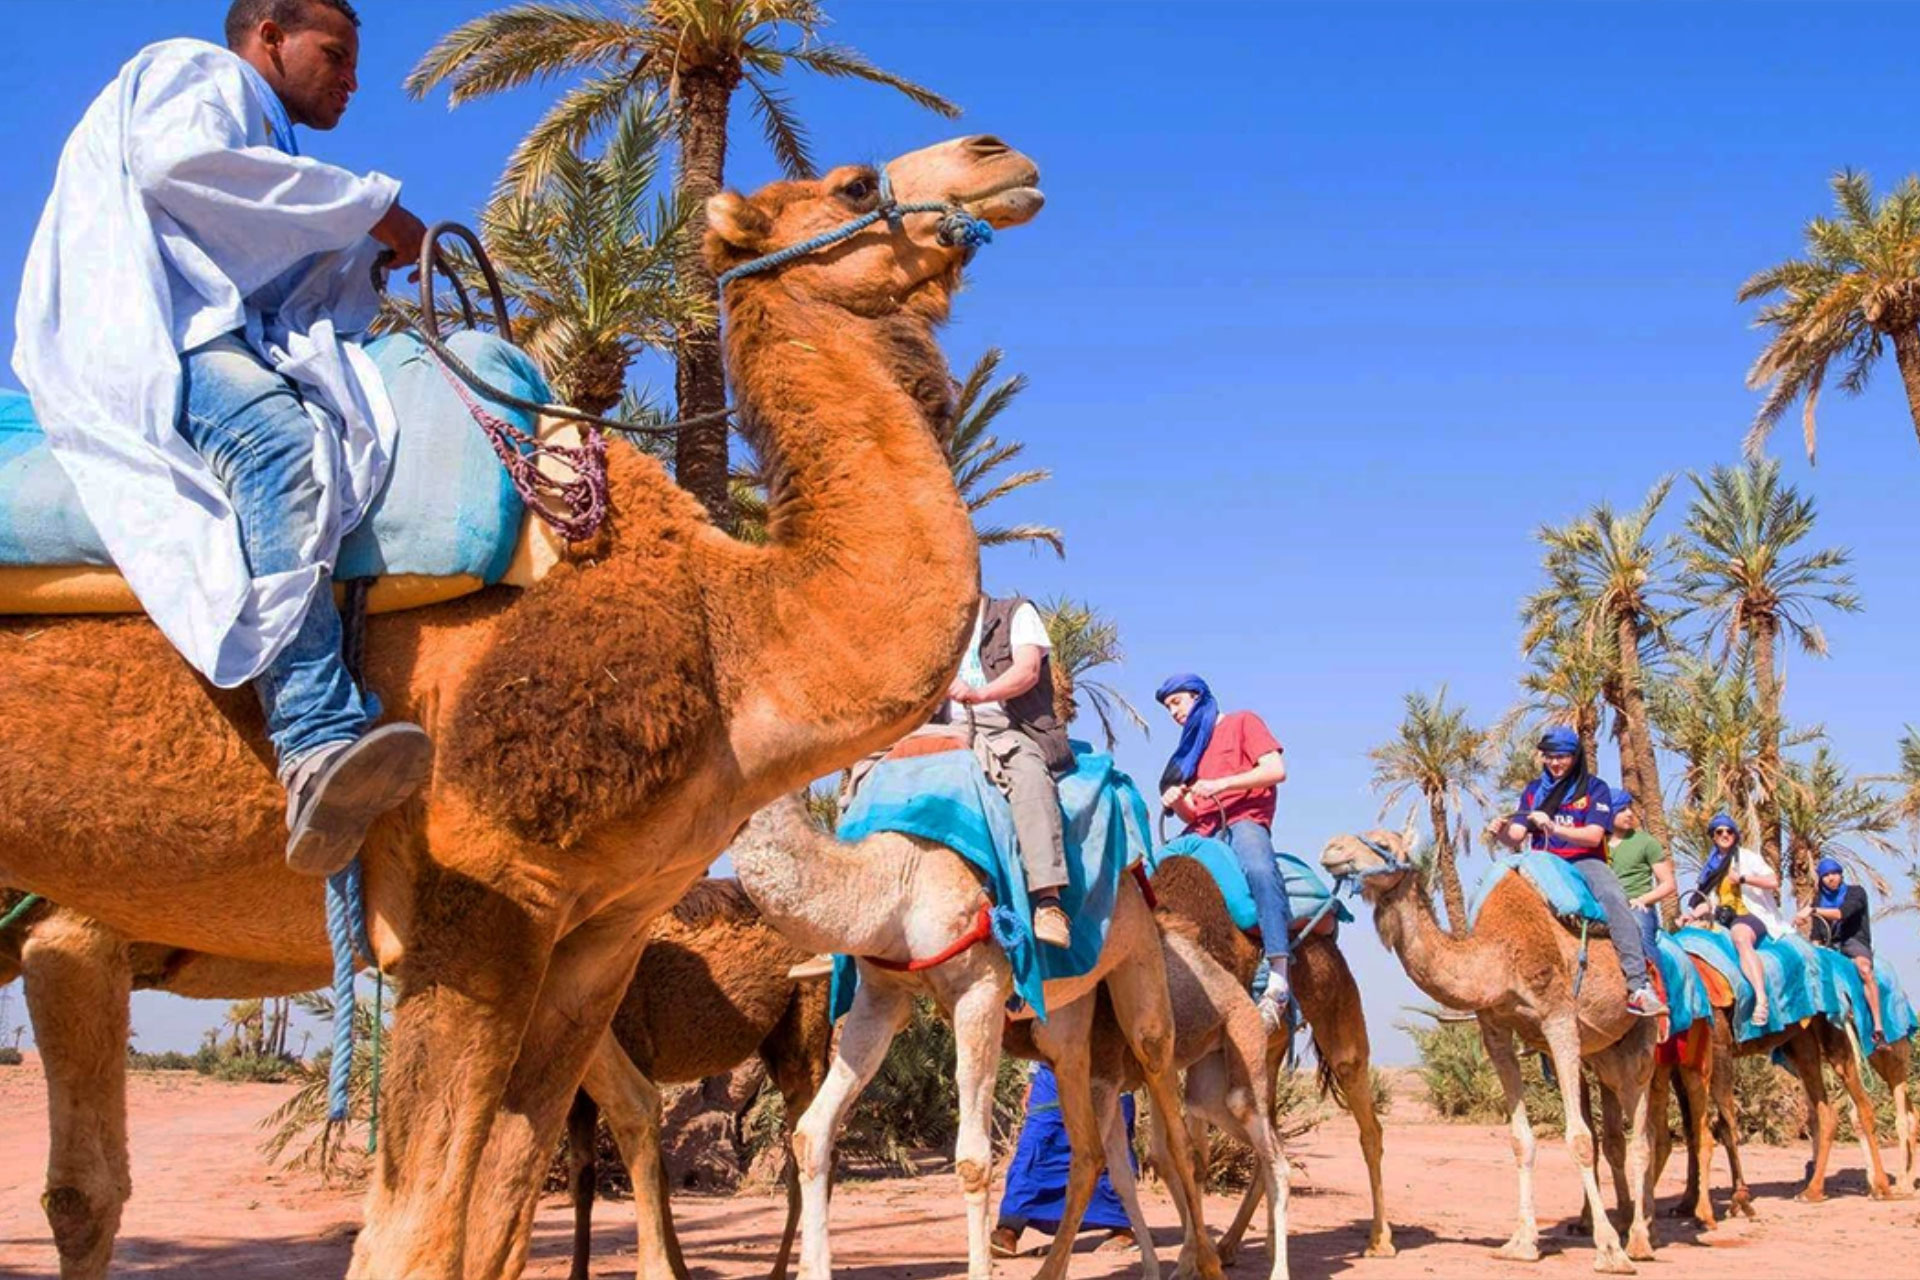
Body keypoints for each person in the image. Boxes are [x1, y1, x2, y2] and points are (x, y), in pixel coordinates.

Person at [12, 0, 434, 876]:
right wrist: (373, 209)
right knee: (279, 448)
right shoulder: (197, 73)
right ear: (270, 37)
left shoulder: (263, 134)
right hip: (160, 337)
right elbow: (182, 167)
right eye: (336, 55)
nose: (352, 81)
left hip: (215, 331)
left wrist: (358, 253)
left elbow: (259, 255)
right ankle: (314, 738)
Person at [1155, 674, 1295, 1031]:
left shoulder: (1242, 722)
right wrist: (1177, 799)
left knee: (1259, 870)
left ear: (1198, 696)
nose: (1173, 713)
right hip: (1202, 830)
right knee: (1150, 878)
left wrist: (1223, 783)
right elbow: (1194, 813)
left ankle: (1278, 975)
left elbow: (1275, 770)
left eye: (1177, 702)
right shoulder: (1190, 750)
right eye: (1168, 708)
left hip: (1243, 822)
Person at [937, 593, 1076, 948]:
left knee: (1030, 777)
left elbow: (1027, 670)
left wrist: (978, 694)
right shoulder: (936, 628)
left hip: (1005, 728)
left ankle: (1048, 901)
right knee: (875, 767)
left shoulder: (1015, 613)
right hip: (943, 731)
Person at [1497, 727, 1666, 1017]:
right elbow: (1516, 835)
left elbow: (1593, 836)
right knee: (1500, 900)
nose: (1555, 763)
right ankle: (1493, 989)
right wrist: (1501, 832)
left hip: (1584, 861)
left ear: (1575, 757)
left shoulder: (1594, 788)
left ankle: (1638, 986)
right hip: (1542, 862)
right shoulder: (1534, 791)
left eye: (1561, 757)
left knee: (1614, 898)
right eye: (1549, 757)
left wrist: (1553, 827)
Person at [991, 1065, 1138, 1258]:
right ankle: (1010, 1227)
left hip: (1107, 1069)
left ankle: (1121, 1228)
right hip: (1052, 1071)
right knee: (1036, 1143)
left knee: (1106, 1149)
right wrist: (1032, 1079)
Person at [1682, 814, 1784, 1027]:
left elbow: (1774, 881)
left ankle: (1761, 999)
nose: (1724, 835)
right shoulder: (1711, 866)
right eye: (1719, 831)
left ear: (1735, 835)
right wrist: (1691, 915)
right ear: (1713, 836)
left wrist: (1743, 879)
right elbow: (1710, 902)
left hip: (1749, 914)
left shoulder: (1748, 858)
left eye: (1729, 831)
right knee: (1688, 936)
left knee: (1740, 938)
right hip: (1722, 918)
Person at [1798, 857, 1886, 1050]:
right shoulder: (1819, 899)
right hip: (1830, 946)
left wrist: (1812, 910)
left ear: (1841, 875)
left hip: (1853, 941)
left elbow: (1841, 913)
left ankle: (1878, 1028)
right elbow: (1817, 933)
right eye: (1826, 875)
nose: (1831, 878)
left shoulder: (1856, 892)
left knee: (1864, 971)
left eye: (1834, 873)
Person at [1607, 788, 1675, 968]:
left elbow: (1668, 884)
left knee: (1642, 938)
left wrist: (1642, 900)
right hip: (1606, 906)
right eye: (1622, 809)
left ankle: (1654, 980)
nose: (1629, 813)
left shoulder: (1645, 842)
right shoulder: (1596, 845)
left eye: (1630, 807)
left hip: (1637, 906)